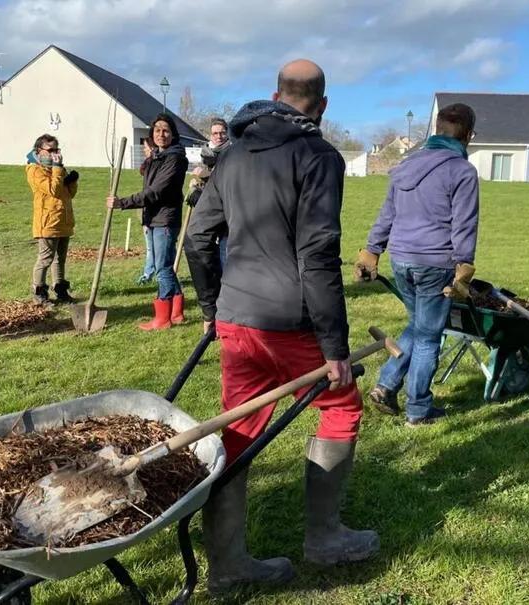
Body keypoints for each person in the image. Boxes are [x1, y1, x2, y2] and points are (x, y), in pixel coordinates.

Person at [185, 59, 379, 596]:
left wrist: (211, 307)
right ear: (324, 104)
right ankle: (325, 538)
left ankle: (227, 566)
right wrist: (335, 348)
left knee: (238, 432)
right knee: (341, 406)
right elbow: (318, 254)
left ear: (275, 95)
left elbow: (197, 241)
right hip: (289, 322)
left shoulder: (232, 155)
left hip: (237, 318)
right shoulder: (317, 156)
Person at [353, 102, 480, 425]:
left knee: (419, 324)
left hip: (402, 260)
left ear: (436, 130)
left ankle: (386, 384)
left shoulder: (406, 166)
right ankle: (419, 409)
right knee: (427, 337)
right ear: (468, 136)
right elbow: (464, 223)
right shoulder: (462, 171)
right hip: (435, 263)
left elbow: (387, 214)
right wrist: (464, 267)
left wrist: (372, 250)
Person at [107, 114, 189, 330]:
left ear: (173, 134)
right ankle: (177, 312)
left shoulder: (175, 159)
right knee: (166, 266)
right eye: (157, 130)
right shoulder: (158, 157)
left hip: (165, 219)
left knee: (162, 267)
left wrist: (123, 202)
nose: (161, 134)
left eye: (165, 130)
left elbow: (156, 191)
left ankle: (162, 319)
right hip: (153, 217)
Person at [26, 134, 79, 305]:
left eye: (56, 149)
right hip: (48, 223)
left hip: (63, 221)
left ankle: (60, 290)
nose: (54, 154)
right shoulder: (35, 171)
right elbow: (53, 190)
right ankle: (39, 292)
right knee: (45, 258)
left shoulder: (58, 168)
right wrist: (57, 168)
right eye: (50, 150)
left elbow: (69, 194)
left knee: (60, 259)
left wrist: (71, 182)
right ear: (38, 151)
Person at [185, 118, 231, 267]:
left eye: (222, 133)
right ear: (210, 135)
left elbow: (229, 178)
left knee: (226, 254)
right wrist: (195, 186)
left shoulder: (233, 152)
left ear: (227, 134)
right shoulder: (206, 153)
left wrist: (207, 175)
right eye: (215, 133)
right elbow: (201, 178)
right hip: (209, 210)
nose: (219, 137)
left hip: (228, 211)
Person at [136, 137, 157, 285]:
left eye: (145, 148)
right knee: (150, 247)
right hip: (147, 211)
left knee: (154, 248)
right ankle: (149, 272)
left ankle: (149, 273)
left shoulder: (156, 165)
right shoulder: (147, 166)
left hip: (157, 213)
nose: (144, 151)